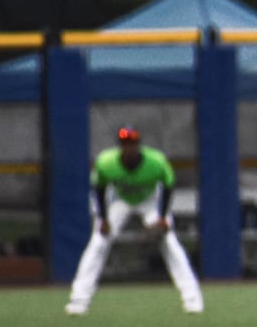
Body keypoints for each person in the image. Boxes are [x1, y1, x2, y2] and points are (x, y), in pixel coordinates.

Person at [65, 125, 203, 315]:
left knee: (169, 242)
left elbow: (168, 186)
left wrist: (163, 218)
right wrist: (103, 219)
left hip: (150, 200)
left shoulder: (156, 161)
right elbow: (99, 189)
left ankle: (192, 300)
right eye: (124, 144)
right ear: (120, 146)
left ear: (138, 145)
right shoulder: (106, 161)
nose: (128, 148)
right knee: (98, 242)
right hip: (119, 200)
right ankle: (78, 301)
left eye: (131, 143)